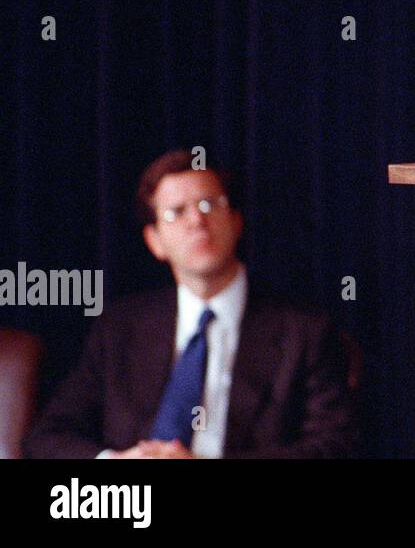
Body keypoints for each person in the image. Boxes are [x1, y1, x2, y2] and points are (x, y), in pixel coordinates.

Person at [25, 150, 358, 458]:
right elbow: (47, 436)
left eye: (210, 205)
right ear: (155, 241)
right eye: (176, 212)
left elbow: (334, 446)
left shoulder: (303, 331)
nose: (197, 222)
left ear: (236, 221)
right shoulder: (120, 327)